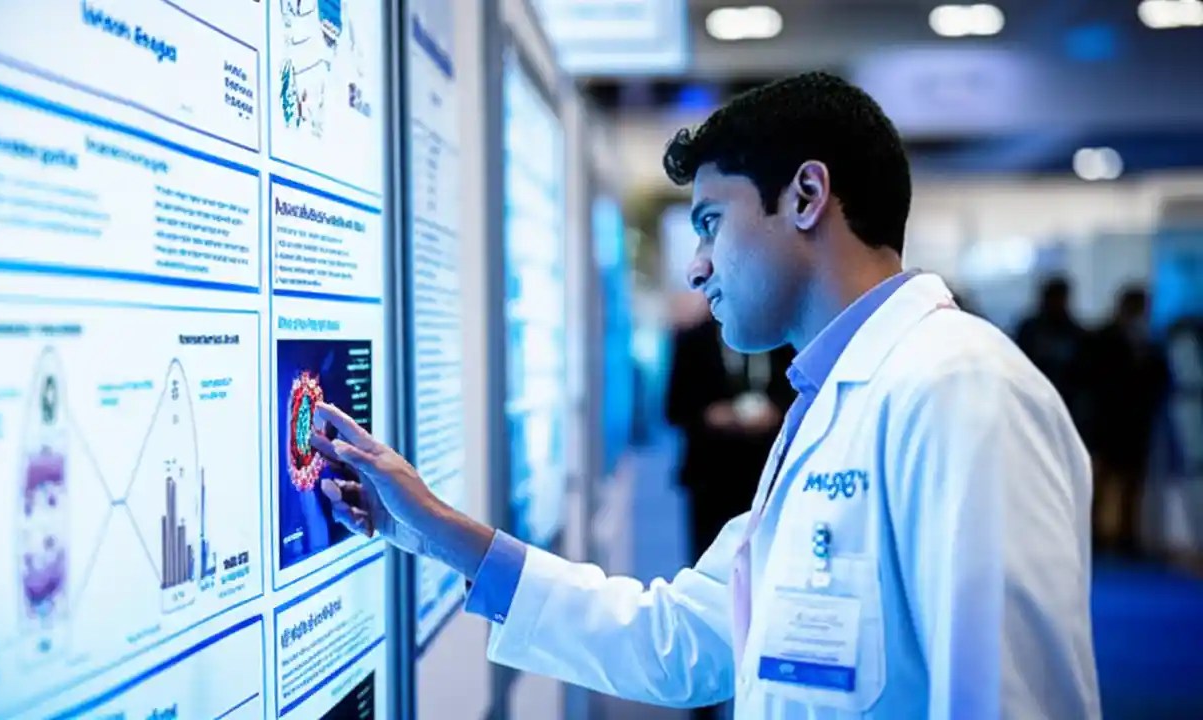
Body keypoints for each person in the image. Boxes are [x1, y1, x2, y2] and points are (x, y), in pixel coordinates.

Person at [309, 72, 1100, 718]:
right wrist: (438, 533)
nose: (695, 267)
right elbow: (681, 641)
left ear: (805, 196)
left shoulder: (960, 390)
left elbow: (1012, 703)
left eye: (711, 223)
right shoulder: (830, 406)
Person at [666, 310, 796, 563]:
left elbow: (796, 394)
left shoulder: (779, 340)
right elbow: (674, 408)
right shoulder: (694, 339)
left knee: (765, 561)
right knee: (707, 562)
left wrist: (775, 412)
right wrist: (711, 416)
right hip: (711, 477)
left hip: (763, 472)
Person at [1087, 286, 1170, 556]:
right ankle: (1094, 535)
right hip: (1108, 423)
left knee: (1133, 484)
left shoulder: (1150, 342)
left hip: (1137, 424)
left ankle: (1126, 536)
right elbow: (1092, 379)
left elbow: (1158, 378)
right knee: (1101, 481)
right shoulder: (1102, 337)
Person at [1014, 276, 1093, 438]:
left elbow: (1083, 373)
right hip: (1032, 400)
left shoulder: (1075, 333)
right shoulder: (1030, 329)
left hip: (1066, 403)